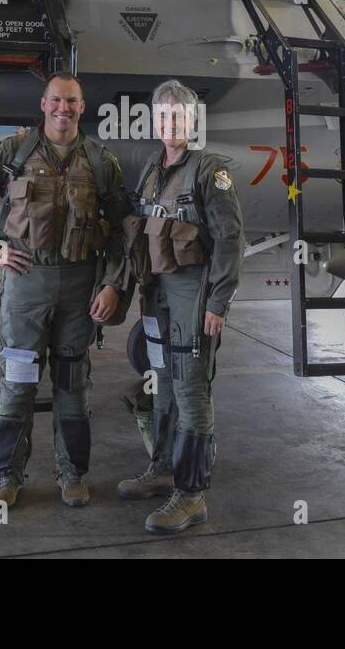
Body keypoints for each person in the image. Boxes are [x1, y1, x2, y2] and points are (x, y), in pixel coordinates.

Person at [0, 73, 128, 510]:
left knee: (73, 383)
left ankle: (72, 474)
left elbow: (123, 232)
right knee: (18, 382)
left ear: (82, 107)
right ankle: (7, 475)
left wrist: (112, 284)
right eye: (56, 101)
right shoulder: (15, 153)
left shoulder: (102, 162)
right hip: (26, 283)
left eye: (71, 102)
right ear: (43, 104)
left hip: (79, 284)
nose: (63, 109)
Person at [117, 79, 243, 533]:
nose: (170, 124)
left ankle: (191, 496)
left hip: (193, 296)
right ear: (154, 121)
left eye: (178, 116)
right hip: (157, 296)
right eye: (163, 116)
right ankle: (164, 468)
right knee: (163, 383)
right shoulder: (153, 167)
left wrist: (219, 301)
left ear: (192, 122)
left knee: (191, 390)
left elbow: (230, 239)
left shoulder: (210, 172)